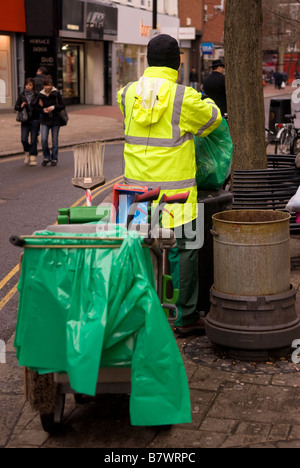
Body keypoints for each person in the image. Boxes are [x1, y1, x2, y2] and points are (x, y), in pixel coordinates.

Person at [118, 34, 222, 336]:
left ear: (147, 61)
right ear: (178, 62)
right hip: (175, 197)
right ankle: (185, 317)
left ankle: (143, 310)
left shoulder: (126, 94)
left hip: (135, 195)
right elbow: (213, 121)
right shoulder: (183, 97)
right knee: (186, 251)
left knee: (140, 248)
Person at [38, 75, 65, 166]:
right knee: (43, 139)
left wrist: (53, 107)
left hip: (55, 119)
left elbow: (62, 106)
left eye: (49, 85)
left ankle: (54, 158)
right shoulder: (40, 95)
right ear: (43, 86)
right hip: (45, 119)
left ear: (52, 85)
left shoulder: (56, 93)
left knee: (54, 141)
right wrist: (42, 109)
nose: (47, 87)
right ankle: (46, 157)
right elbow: (36, 107)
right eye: (46, 85)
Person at [14, 78, 40, 166]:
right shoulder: (22, 95)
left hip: (35, 120)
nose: (28, 87)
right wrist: (21, 106)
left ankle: (33, 156)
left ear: (33, 86)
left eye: (30, 85)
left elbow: (39, 108)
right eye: (27, 85)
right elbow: (16, 107)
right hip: (25, 120)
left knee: (33, 140)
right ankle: (27, 152)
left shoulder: (37, 95)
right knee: (23, 139)